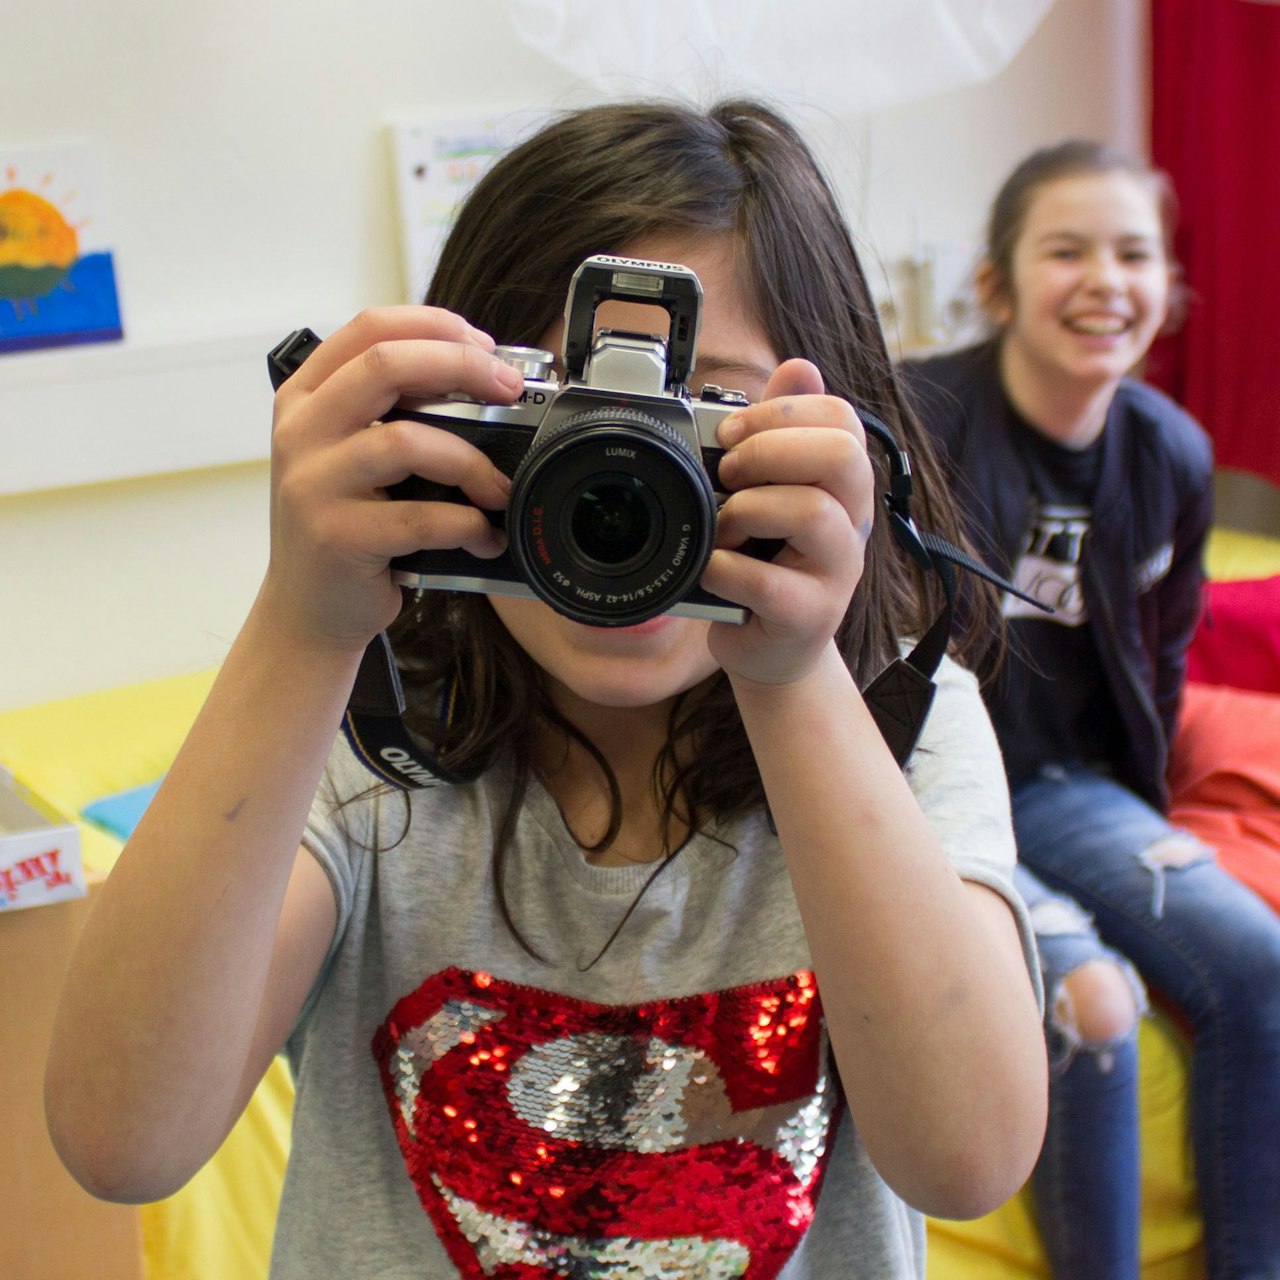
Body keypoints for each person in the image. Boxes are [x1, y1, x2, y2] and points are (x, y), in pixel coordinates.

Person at [44, 100, 1048, 1280]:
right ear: (446, 417)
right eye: (553, 409)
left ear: (843, 441)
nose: (619, 487)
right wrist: (302, 622)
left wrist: (788, 676)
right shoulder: (366, 723)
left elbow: (969, 1158)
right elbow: (122, 1137)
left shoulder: (893, 722)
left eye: (701, 414)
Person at [902, 139, 1280, 1280]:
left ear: (1166, 286)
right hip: (921, 788)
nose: (1103, 280)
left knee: (1260, 967)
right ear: (998, 280)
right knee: (1093, 1003)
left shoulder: (1169, 451)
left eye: (1133, 253)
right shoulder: (917, 417)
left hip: (1069, 788)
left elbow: (1157, 659)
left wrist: (1137, 821)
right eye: (1064, 250)